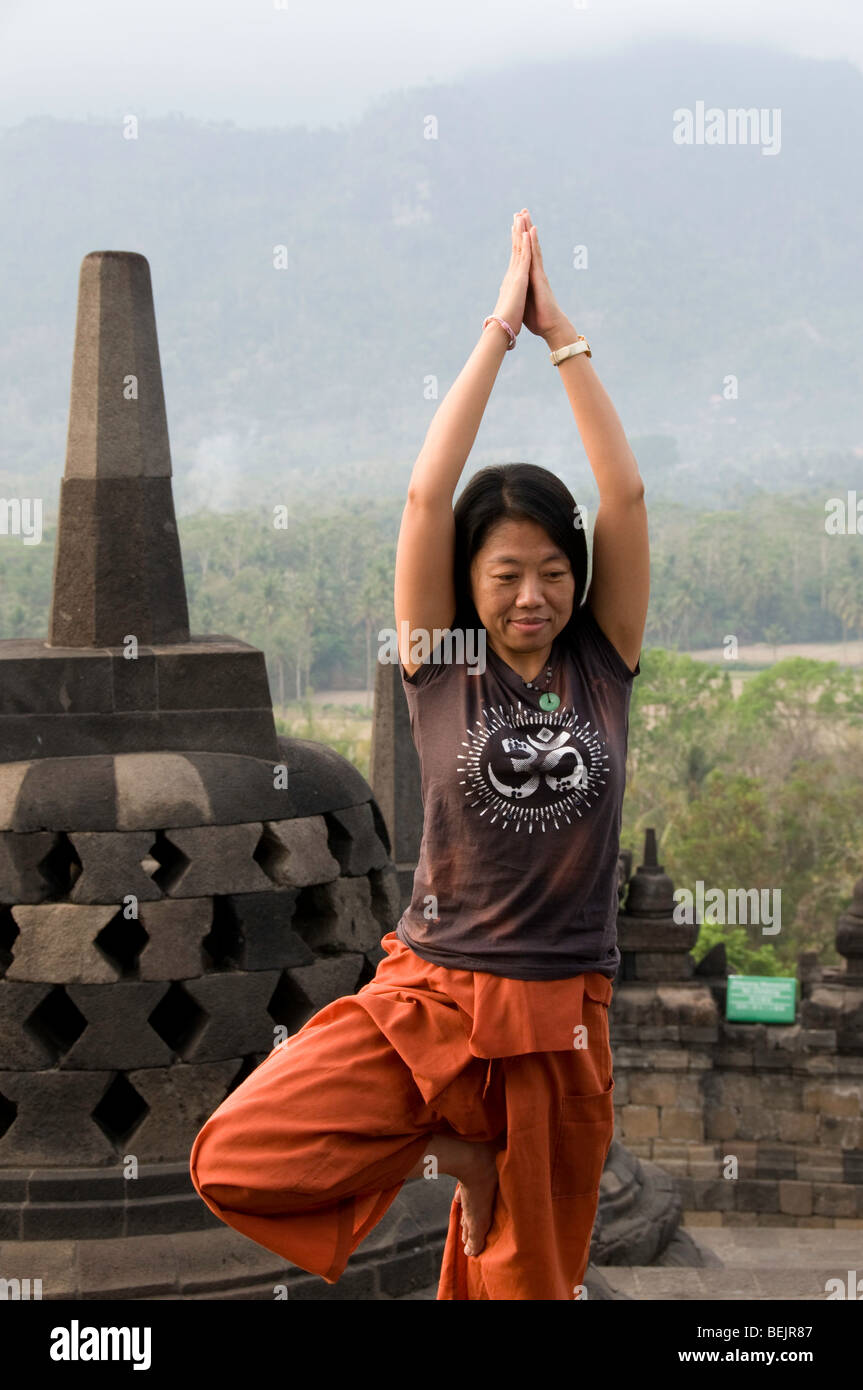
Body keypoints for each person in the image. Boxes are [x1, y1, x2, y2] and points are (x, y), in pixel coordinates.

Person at [189, 208, 649, 1300]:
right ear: (466, 583)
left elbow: (623, 497)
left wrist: (564, 338)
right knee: (235, 1150)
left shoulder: (603, 665)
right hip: (433, 997)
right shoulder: (441, 664)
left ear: (575, 578)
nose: (531, 594)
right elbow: (423, 497)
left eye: (551, 570)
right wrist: (498, 327)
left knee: (528, 1285)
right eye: (503, 574)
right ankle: (463, 1155)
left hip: (559, 1019)